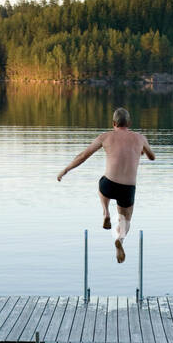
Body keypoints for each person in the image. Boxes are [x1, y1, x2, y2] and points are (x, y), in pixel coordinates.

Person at [57, 107, 155, 262]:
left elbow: (83, 155)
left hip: (109, 185)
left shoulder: (105, 137)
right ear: (129, 123)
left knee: (102, 184)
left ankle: (106, 212)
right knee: (125, 220)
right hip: (128, 189)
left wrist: (65, 170)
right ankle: (120, 240)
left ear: (113, 123)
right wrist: (142, 151)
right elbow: (152, 157)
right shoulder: (140, 138)